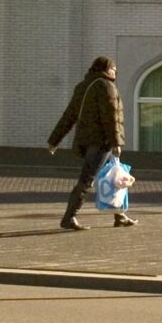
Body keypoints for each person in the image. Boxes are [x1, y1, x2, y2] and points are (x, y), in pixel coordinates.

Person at [47, 56, 132, 230]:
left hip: (85, 141)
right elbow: (111, 118)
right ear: (106, 69)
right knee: (87, 179)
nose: (115, 72)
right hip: (101, 142)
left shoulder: (82, 86)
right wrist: (116, 142)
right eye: (114, 69)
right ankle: (69, 218)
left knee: (115, 177)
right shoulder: (106, 87)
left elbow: (69, 115)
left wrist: (54, 140)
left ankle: (120, 215)